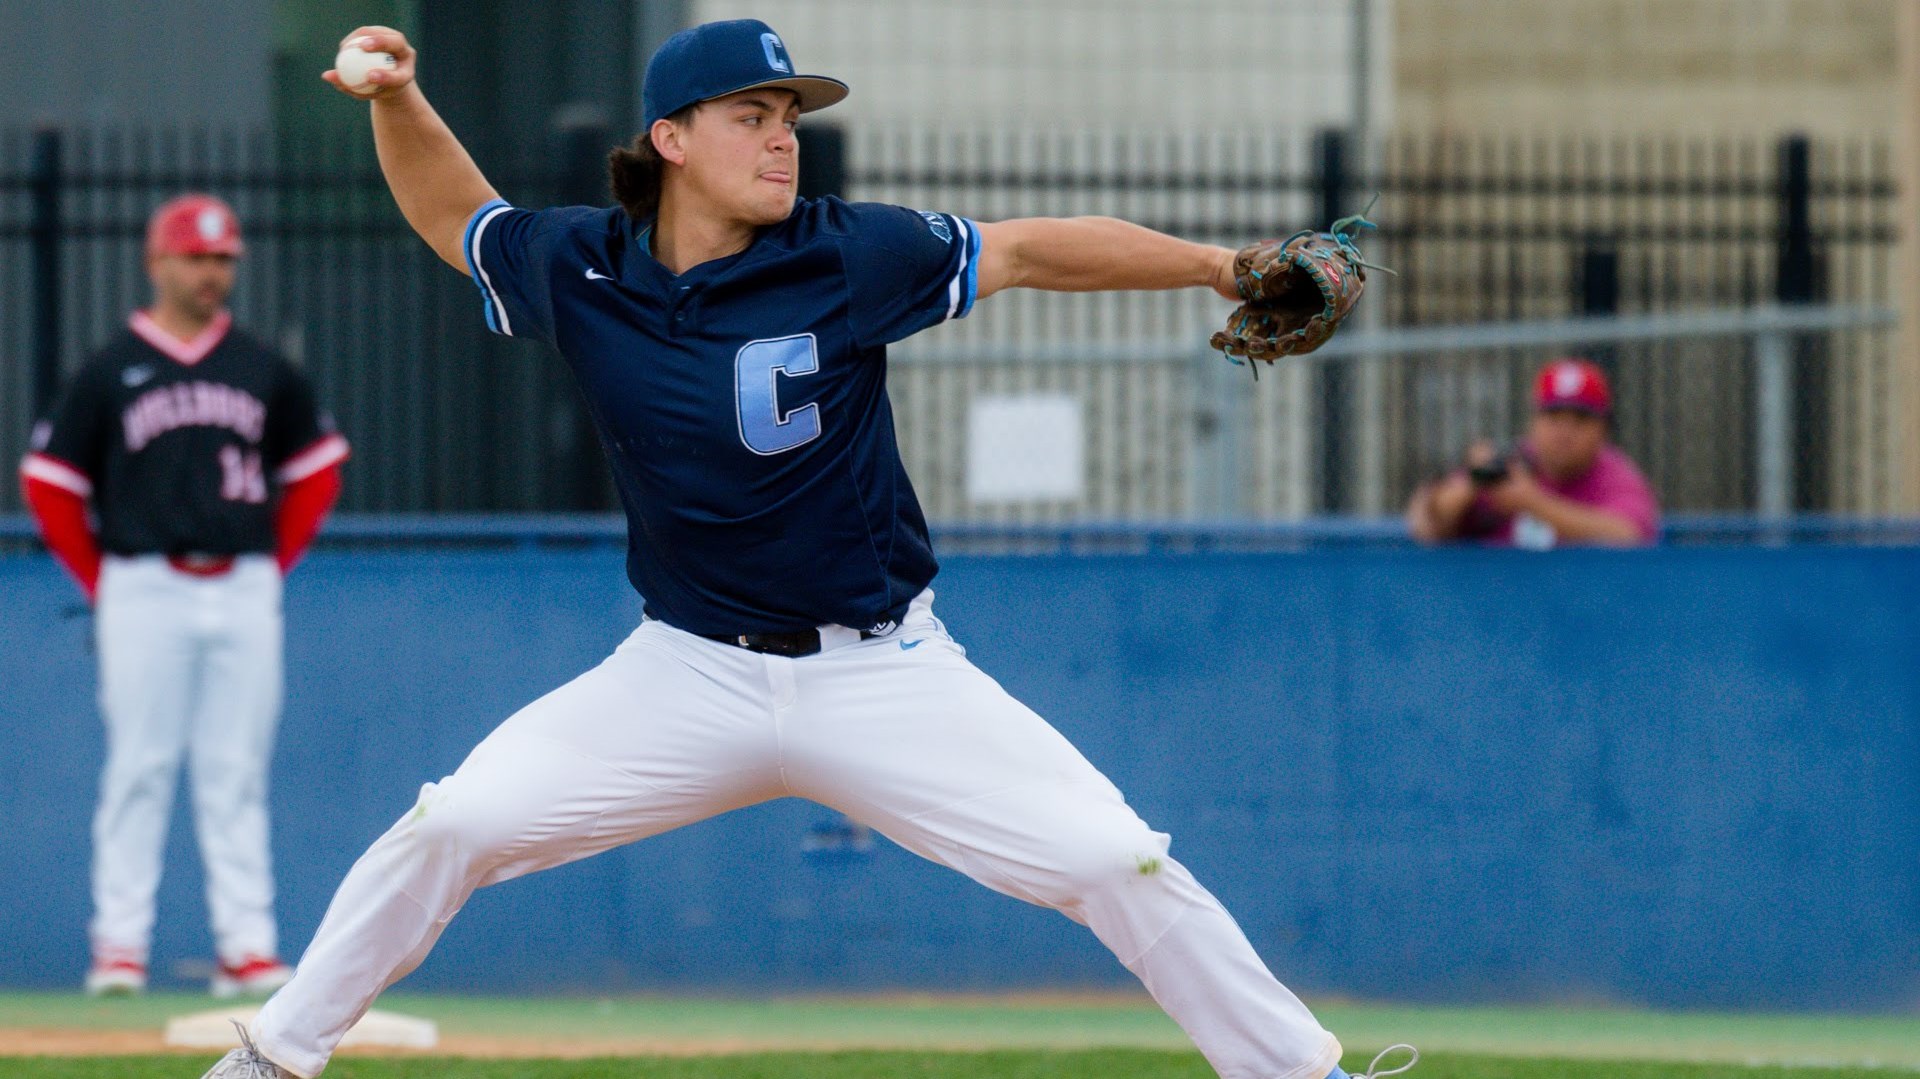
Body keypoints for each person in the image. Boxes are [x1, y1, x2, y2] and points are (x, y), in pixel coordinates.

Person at [202, 20, 1415, 1079]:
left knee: (1114, 858)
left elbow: (1037, 246)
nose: (784, 138)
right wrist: (399, 97)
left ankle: (1302, 1072)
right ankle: (273, 1053)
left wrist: (1221, 267)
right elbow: (457, 215)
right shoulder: (584, 266)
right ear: (671, 138)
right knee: (455, 822)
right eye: (752, 115)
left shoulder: (848, 251)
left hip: (884, 670)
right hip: (684, 673)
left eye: (790, 115)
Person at [20, 194, 350, 998]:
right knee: (140, 764)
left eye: (224, 258)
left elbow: (317, 468)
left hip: (239, 582)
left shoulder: (262, 366)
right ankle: (119, 948)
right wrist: (103, 582)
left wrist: (274, 563)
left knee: (234, 769)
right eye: (199, 257)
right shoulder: (110, 370)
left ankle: (246, 947)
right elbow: (50, 481)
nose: (214, 271)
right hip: (143, 583)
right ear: (157, 262)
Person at [1405, 357, 1660, 549]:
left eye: (1581, 419)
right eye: (1553, 416)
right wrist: (1472, 483)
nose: (1565, 431)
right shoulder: (1510, 464)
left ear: (1603, 429)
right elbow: (1425, 524)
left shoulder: (1616, 476)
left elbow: (1630, 537)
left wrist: (1531, 502)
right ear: (1534, 422)